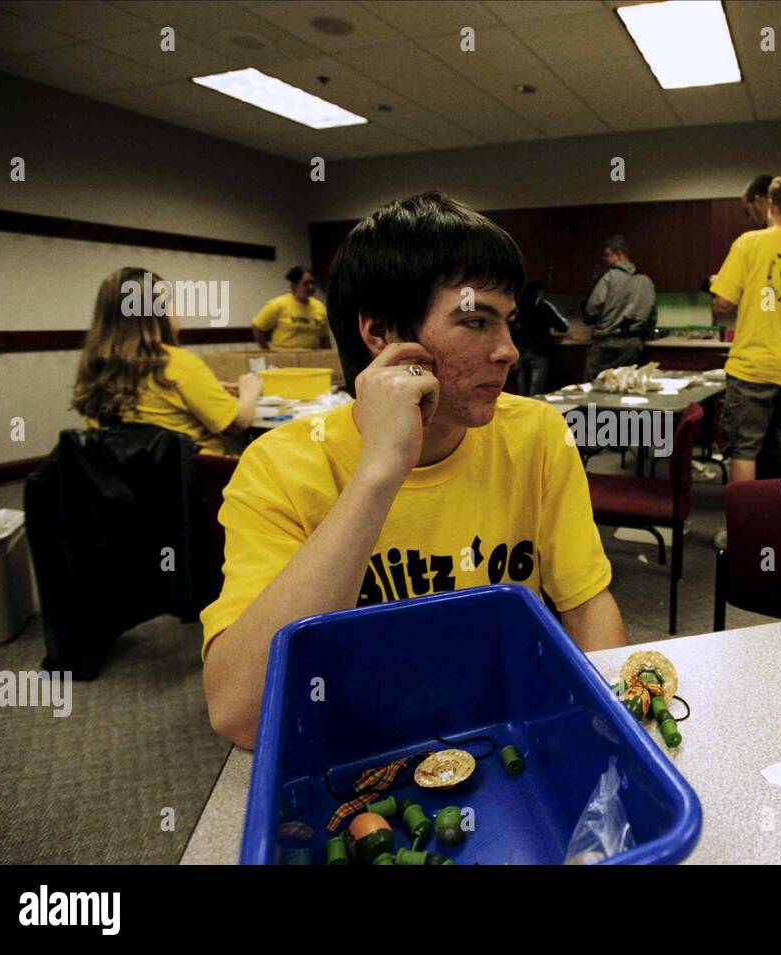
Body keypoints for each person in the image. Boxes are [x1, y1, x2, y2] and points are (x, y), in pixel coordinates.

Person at [201, 192, 629, 748]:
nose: (509, 351)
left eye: (508, 323)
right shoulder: (279, 466)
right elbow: (242, 714)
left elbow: (585, 603)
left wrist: (615, 736)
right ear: (381, 334)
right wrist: (380, 472)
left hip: (504, 731)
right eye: (475, 321)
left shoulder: (537, 434)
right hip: (360, 747)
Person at [710, 174, 781, 483]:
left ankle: (743, 530)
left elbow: (723, 303)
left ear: (771, 203)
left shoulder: (749, 243)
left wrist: (720, 293)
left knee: (744, 450)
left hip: (752, 367)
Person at [73, 267, 260, 455]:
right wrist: (249, 391)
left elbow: (153, 403)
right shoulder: (178, 363)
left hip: (123, 478)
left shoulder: (97, 365)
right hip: (192, 476)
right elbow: (237, 423)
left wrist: (211, 389)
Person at [581, 236, 657, 382]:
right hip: (632, 346)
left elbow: (592, 309)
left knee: (592, 393)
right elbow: (652, 316)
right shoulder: (645, 281)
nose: (605, 259)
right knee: (626, 390)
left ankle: (593, 407)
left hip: (606, 344)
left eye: (607, 255)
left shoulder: (608, 277)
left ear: (619, 254)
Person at [511, 280, 570, 395]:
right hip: (540, 352)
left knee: (521, 390)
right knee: (536, 391)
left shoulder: (516, 307)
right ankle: (534, 412)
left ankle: (521, 412)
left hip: (520, 352)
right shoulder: (544, 306)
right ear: (539, 292)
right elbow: (563, 326)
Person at [251, 266, 330, 350]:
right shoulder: (278, 304)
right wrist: (266, 351)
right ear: (294, 285)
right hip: (284, 357)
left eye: (313, 283)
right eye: (306, 283)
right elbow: (257, 327)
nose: (311, 287)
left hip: (312, 357)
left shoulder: (319, 306)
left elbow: (324, 337)